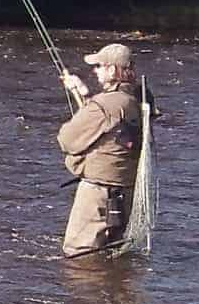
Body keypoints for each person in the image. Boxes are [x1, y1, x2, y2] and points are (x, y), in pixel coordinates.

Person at [56, 43, 144, 258]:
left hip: (97, 194)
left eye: (99, 66)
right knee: (113, 256)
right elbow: (111, 128)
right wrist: (83, 94)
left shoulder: (104, 105)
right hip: (127, 193)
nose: (95, 70)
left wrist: (89, 103)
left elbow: (67, 140)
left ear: (113, 70)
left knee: (80, 257)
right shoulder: (137, 98)